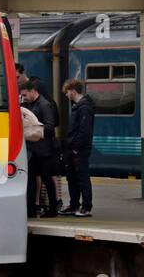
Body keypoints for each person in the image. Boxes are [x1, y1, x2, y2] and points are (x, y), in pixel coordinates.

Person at [20, 79, 59, 218]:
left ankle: (53, 208)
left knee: (46, 179)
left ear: (33, 91)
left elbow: (50, 128)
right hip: (31, 149)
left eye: (25, 95)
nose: (23, 98)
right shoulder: (28, 105)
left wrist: (33, 127)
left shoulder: (44, 105)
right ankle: (30, 209)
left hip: (44, 149)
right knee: (30, 180)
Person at [60, 78, 94, 218]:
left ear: (73, 91)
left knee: (82, 177)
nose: (66, 95)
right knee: (72, 177)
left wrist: (75, 147)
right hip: (73, 148)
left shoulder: (84, 107)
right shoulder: (78, 106)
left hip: (79, 149)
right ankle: (74, 204)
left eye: (67, 92)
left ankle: (86, 206)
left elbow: (84, 131)